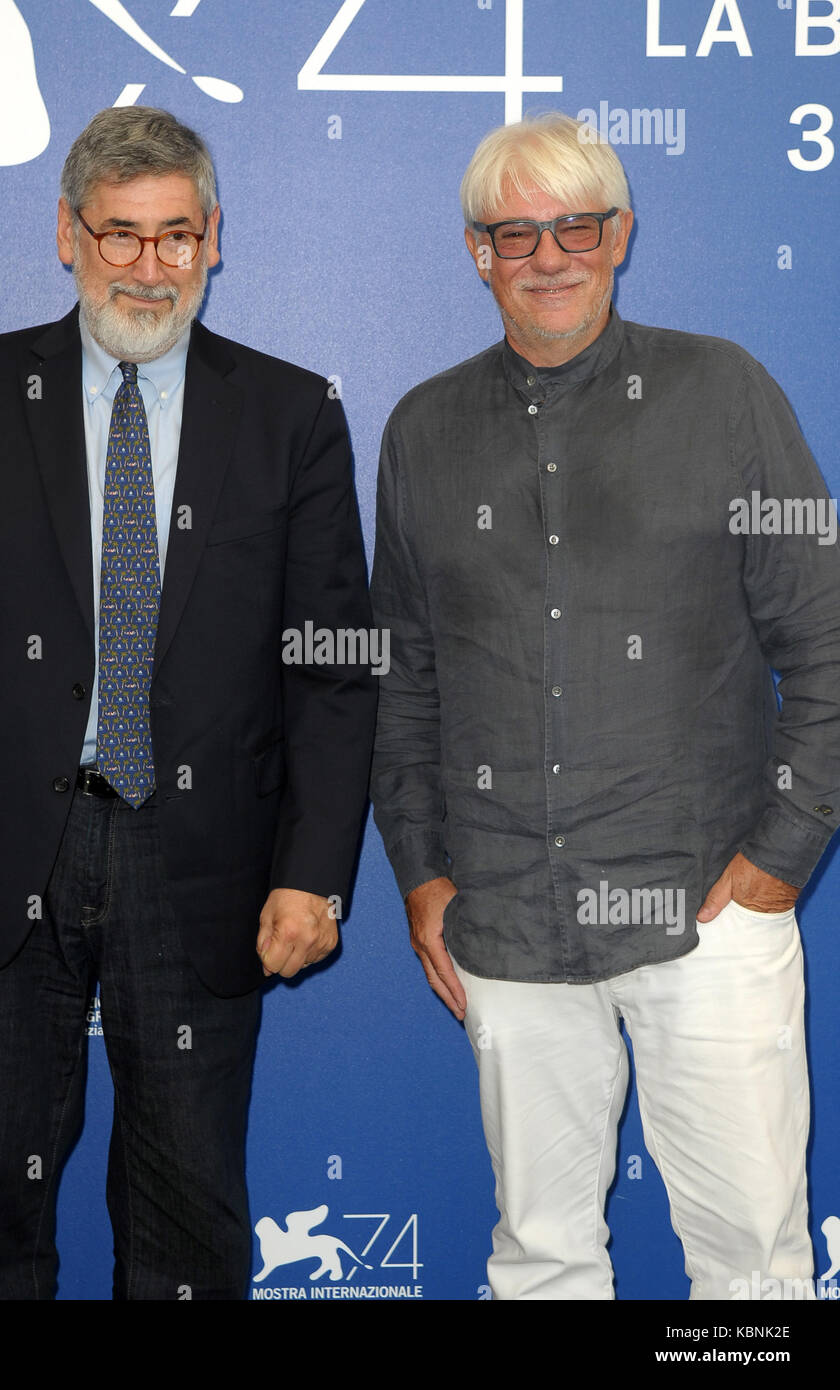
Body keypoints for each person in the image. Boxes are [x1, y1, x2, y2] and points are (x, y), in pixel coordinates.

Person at [0, 105, 377, 1300]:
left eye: (176, 235)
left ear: (216, 239)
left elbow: (333, 667)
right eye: (122, 236)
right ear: (67, 237)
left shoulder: (294, 415)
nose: (151, 266)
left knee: (188, 1207)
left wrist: (315, 871)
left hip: (206, 858)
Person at [369, 112, 840, 1300]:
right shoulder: (423, 431)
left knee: (750, 1265)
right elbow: (402, 677)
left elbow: (828, 639)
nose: (548, 254)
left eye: (576, 224)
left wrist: (781, 859)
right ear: (477, 252)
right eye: (514, 232)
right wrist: (423, 870)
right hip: (510, 921)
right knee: (540, 1260)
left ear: (620, 234)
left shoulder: (725, 393)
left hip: (707, 916)